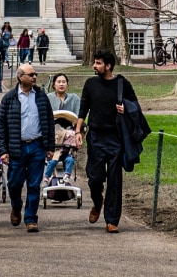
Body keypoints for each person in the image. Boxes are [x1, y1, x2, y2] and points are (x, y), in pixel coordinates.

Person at [75, 48, 138, 233]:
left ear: (108, 66)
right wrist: (78, 131)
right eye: (95, 62)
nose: (94, 65)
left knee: (114, 179)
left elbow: (135, 105)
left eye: (98, 63)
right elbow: (83, 109)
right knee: (94, 178)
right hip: (95, 136)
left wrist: (125, 108)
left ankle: (112, 220)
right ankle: (97, 201)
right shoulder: (90, 83)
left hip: (116, 137)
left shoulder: (122, 84)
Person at [0, 63, 54, 232]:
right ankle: (16, 206)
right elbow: (2, 126)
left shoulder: (41, 97)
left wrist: (50, 146)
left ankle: (31, 218)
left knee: (34, 184)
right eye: (31, 75)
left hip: (37, 145)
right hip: (17, 147)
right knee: (14, 183)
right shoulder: (10, 98)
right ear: (20, 77)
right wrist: (3, 150)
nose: (34, 77)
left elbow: (49, 122)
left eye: (35, 74)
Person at [43, 72, 80, 183]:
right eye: (58, 82)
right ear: (54, 84)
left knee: (69, 158)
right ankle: (48, 178)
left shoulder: (74, 99)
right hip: (53, 133)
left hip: (69, 132)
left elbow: (79, 118)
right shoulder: (48, 98)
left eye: (64, 82)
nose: (61, 84)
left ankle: (66, 176)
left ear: (67, 84)